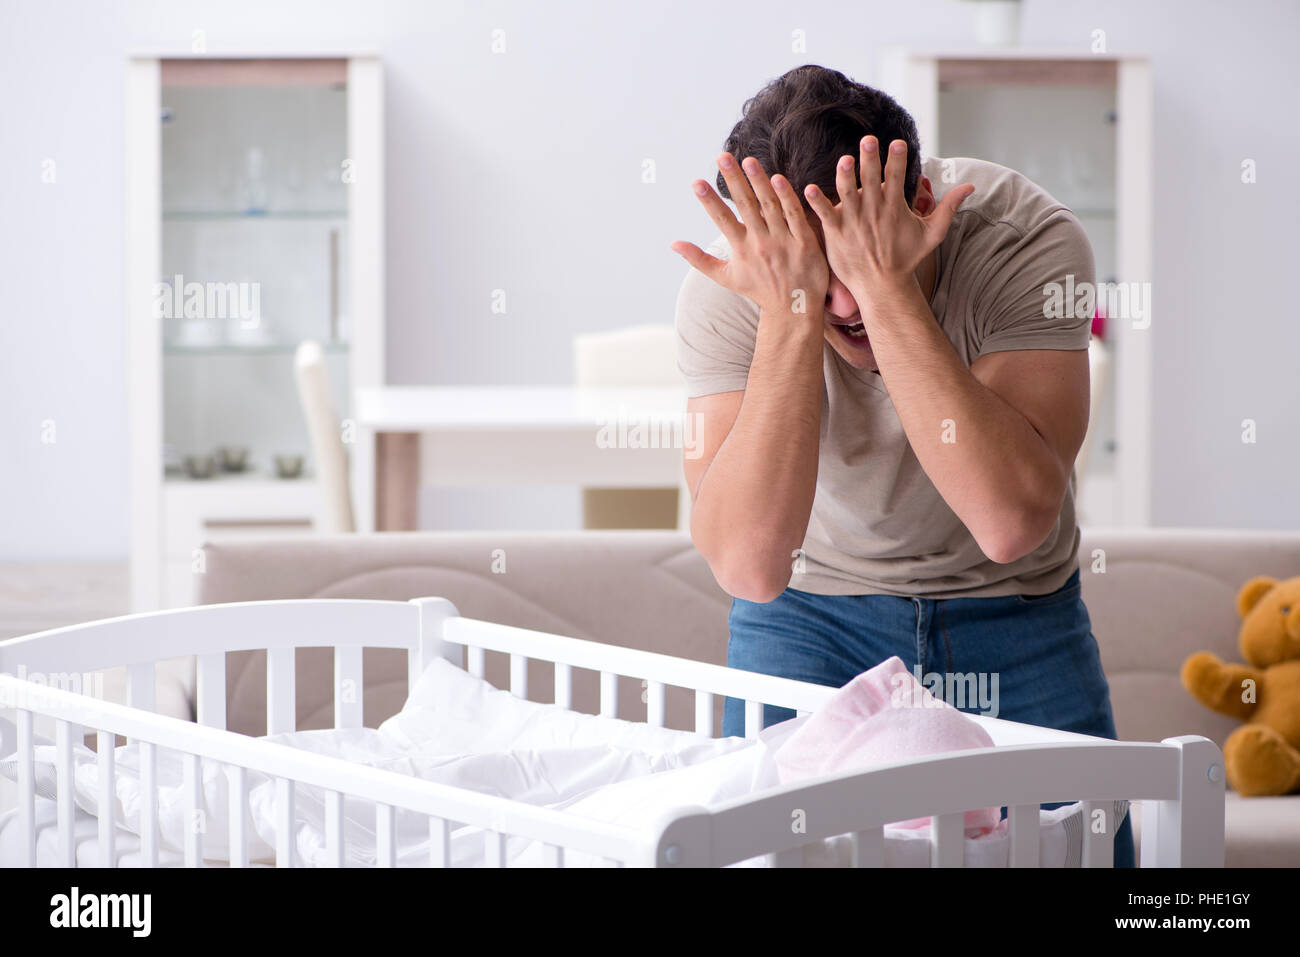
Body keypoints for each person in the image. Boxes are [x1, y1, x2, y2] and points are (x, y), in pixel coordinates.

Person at [669, 64, 1134, 867]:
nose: (843, 307)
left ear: (920, 205)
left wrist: (890, 294)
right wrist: (788, 312)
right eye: (819, 280)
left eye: (860, 264)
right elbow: (747, 566)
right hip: (810, 612)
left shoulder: (1026, 240)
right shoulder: (729, 290)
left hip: (1014, 608)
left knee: (1086, 858)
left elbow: (1010, 522)